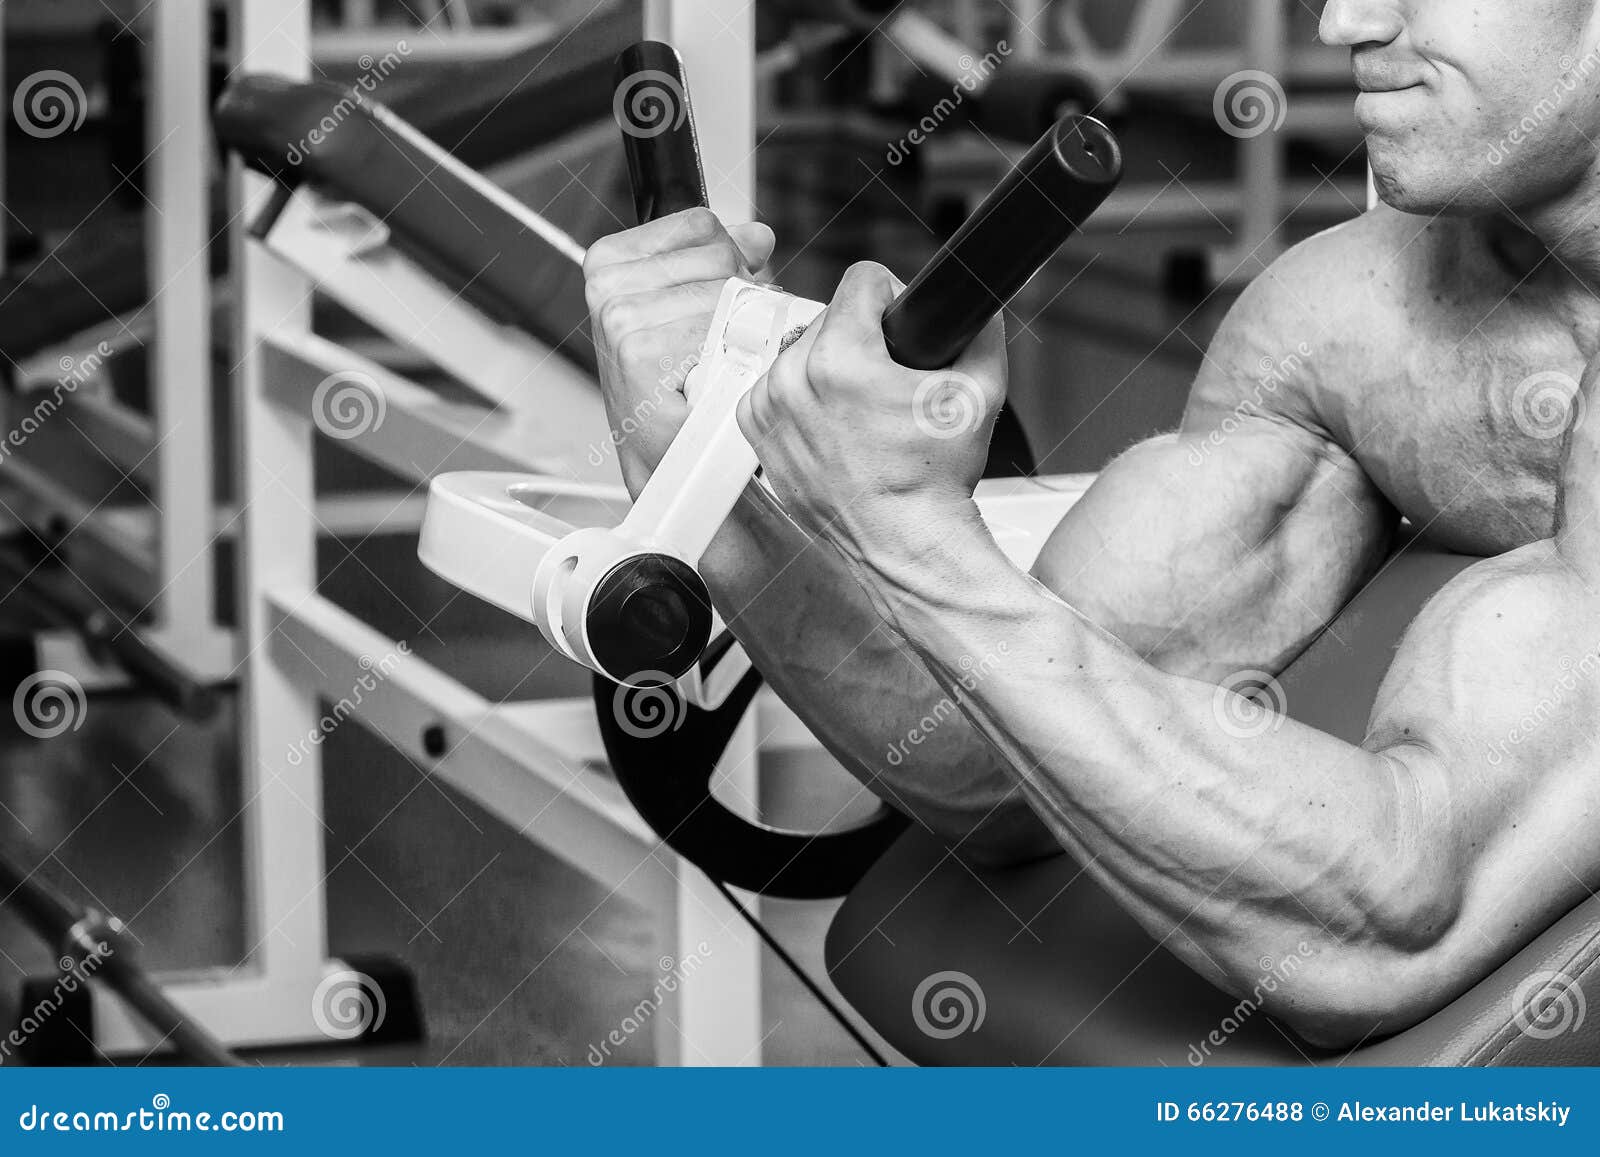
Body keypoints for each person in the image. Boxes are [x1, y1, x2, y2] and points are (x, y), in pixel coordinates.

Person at [581, 0, 1600, 1048]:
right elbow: (990, 770)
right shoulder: (1352, 316)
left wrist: (902, 531)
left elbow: (1395, 921)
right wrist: (697, 449)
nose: (1344, 21)